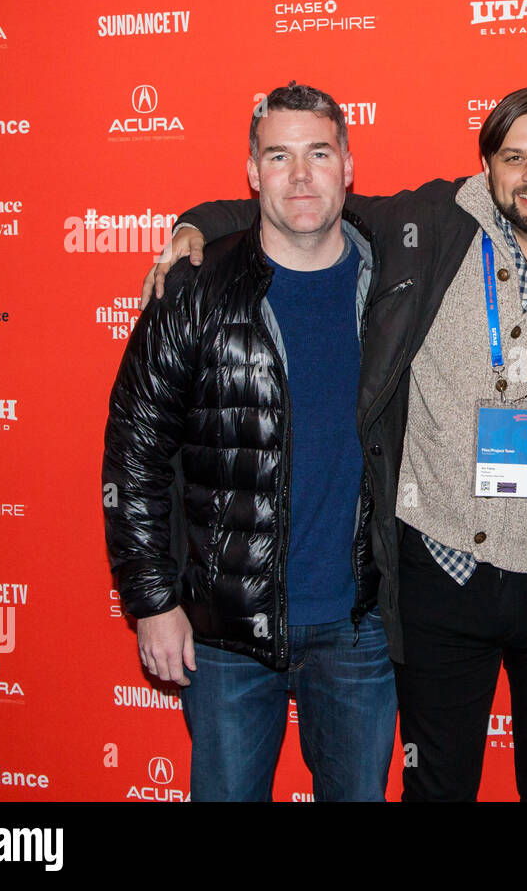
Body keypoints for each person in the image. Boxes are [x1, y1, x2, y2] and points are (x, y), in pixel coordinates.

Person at [145, 87, 527, 801]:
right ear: (486, 167)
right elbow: (305, 207)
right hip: (440, 568)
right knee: (433, 785)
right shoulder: (430, 228)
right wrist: (195, 225)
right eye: (514, 157)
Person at [102, 81, 396, 801]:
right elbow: (134, 454)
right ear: (251, 171)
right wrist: (151, 601)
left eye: (319, 153)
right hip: (226, 628)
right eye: (279, 156)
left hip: (360, 626)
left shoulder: (396, 280)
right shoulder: (196, 289)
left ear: (349, 165)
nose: (301, 177)